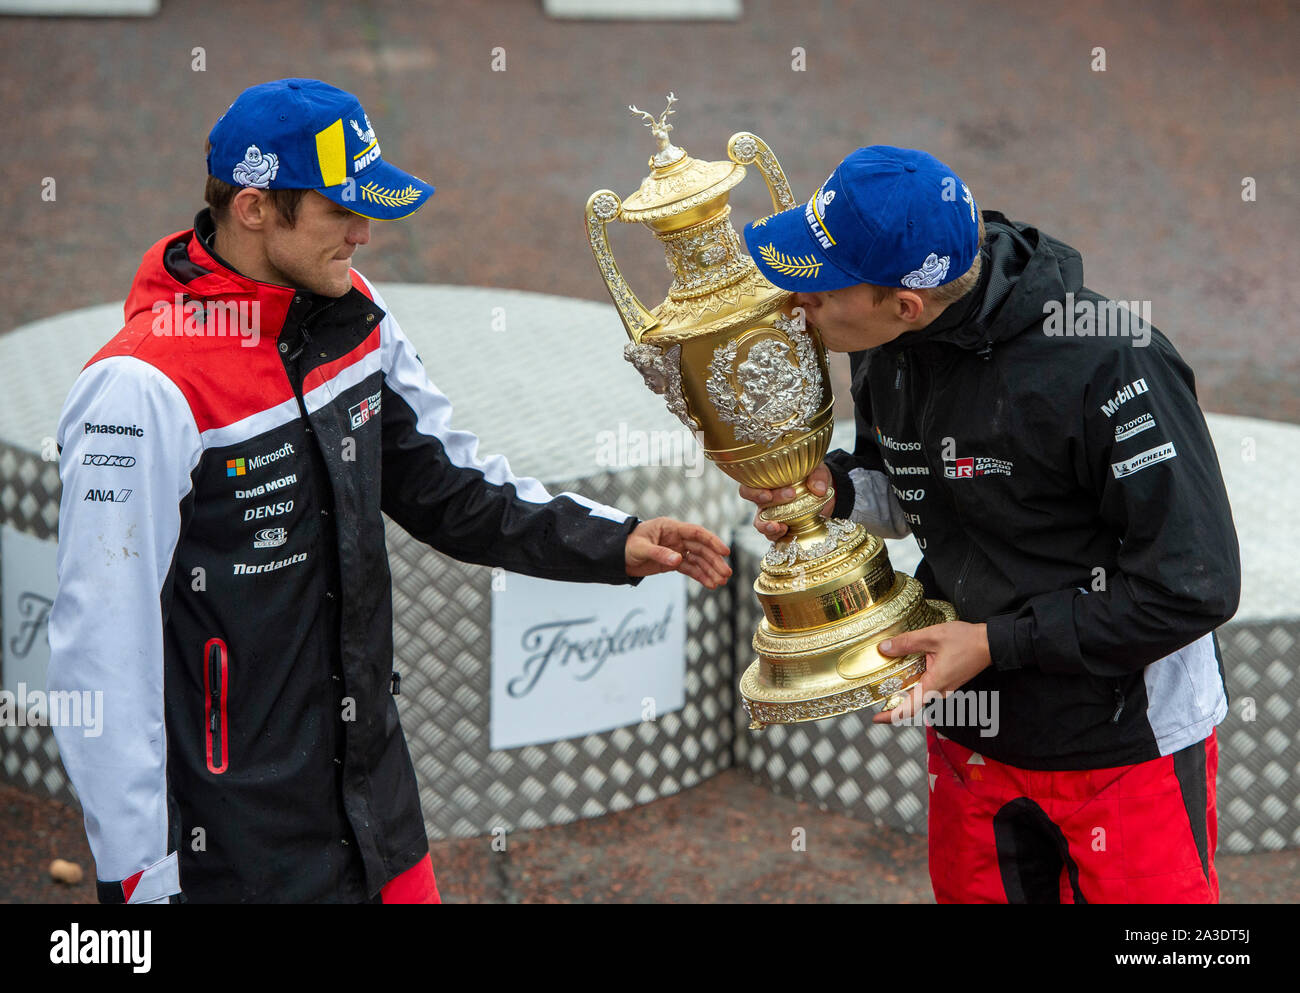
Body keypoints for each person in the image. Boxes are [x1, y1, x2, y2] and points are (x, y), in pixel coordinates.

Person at [46, 78, 731, 905]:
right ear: (257, 208)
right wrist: (137, 880)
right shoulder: (140, 388)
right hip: (231, 848)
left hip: (377, 810)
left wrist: (610, 540)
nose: (365, 235)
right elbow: (102, 652)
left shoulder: (353, 313)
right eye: (342, 211)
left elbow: (448, 482)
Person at [739, 145, 1240, 903]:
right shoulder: (890, 342)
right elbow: (909, 488)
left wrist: (997, 641)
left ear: (906, 302)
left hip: (1123, 746)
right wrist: (835, 488)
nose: (792, 301)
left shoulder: (1111, 359)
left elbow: (1192, 587)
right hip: (974, 735)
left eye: (816, 288)